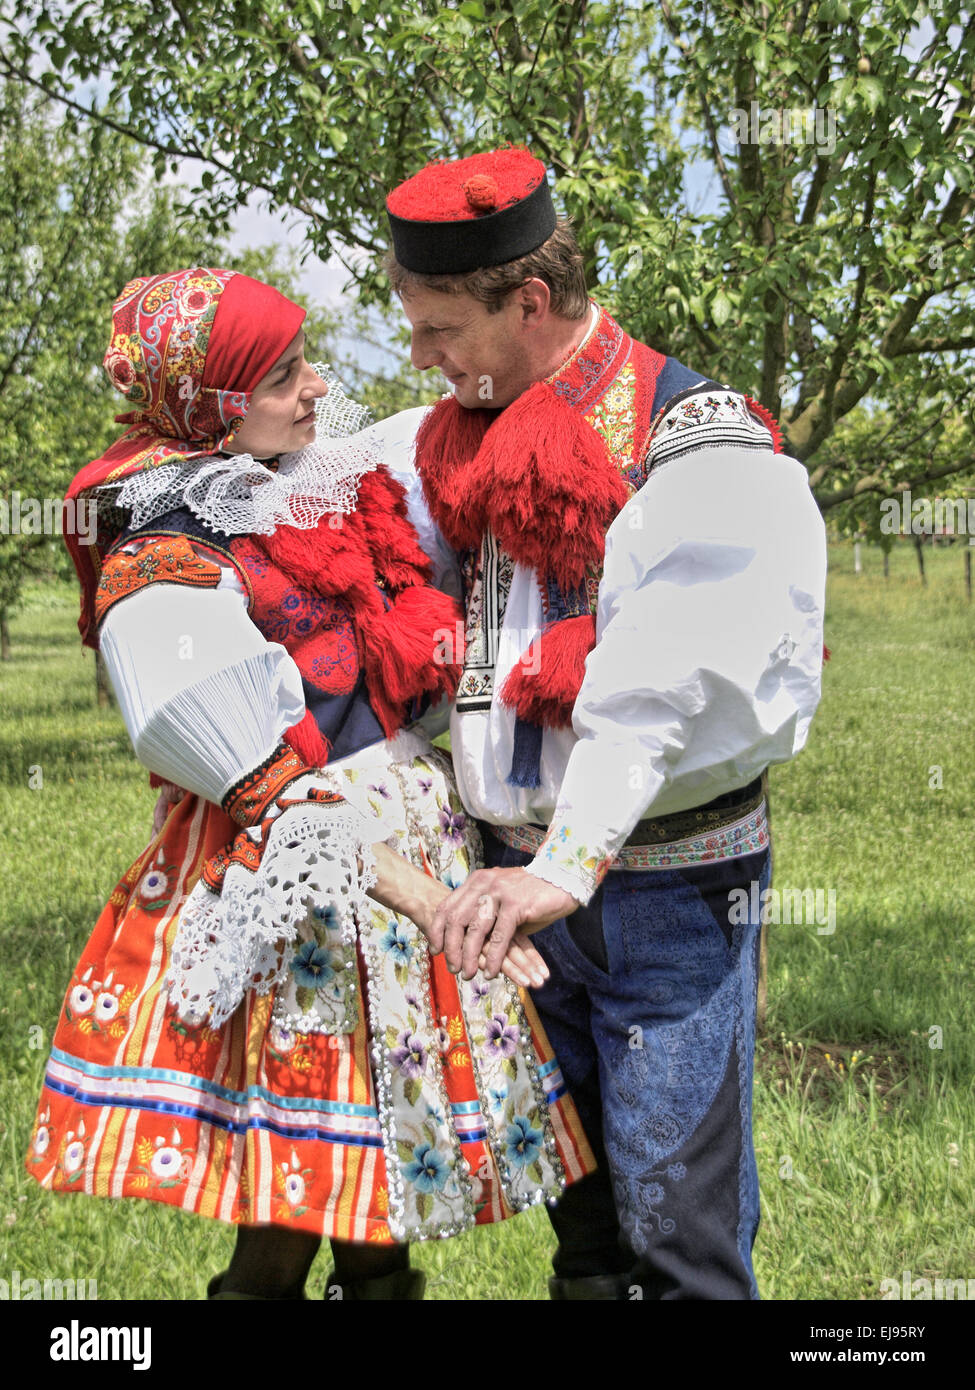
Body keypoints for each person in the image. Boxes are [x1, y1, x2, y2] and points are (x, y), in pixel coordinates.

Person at [25, 266, 594, 1301]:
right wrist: (431, 904)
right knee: (295, 1197)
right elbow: (259, 781)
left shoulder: (302, 476)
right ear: (213, 408)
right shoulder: (163, 553)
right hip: (301, 883)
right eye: (286, 374)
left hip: (389, 859)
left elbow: (444, 437)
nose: (318, 385)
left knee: (370, 1187)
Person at [382, 148, 828, 1299]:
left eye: (437, 329)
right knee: (583, 1231)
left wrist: (570, 864)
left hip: (663, 890)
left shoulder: (698, 438)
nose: (419, 355)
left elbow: (670, 679)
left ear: (526, 300)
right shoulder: (457, 429)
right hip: (520, 895)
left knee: (678, 1234)